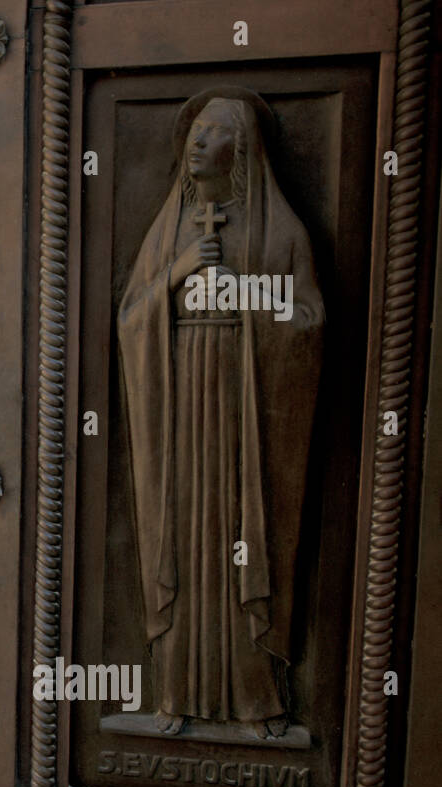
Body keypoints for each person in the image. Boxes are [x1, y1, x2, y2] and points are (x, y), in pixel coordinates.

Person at [117, 89, 324, 738]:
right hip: (180, 407)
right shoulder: (171, 227)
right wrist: (177, 274)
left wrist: (248, 297)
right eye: (195, 132)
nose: (198, 142)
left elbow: (309, 319)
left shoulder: (276, 230)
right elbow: (132, 319)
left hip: (243, 409)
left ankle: (259, 699)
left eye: (214, 133)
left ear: (243, 151)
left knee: (241, 539)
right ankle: (176, 689)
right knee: (182, 537)